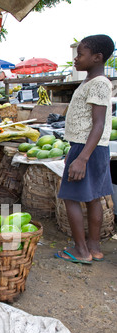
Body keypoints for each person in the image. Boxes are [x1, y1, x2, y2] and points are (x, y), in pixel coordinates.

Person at [55, 34, 115, 264]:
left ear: (97, 57)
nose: (75, 59)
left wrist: (81, 158)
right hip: (93, 148)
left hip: (86, 147)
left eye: (80, 54)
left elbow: (98, 123)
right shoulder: (92, 81)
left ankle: (81, 250)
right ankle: (94, 247)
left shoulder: (99, 83)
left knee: (71, 198)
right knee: (93, 198)